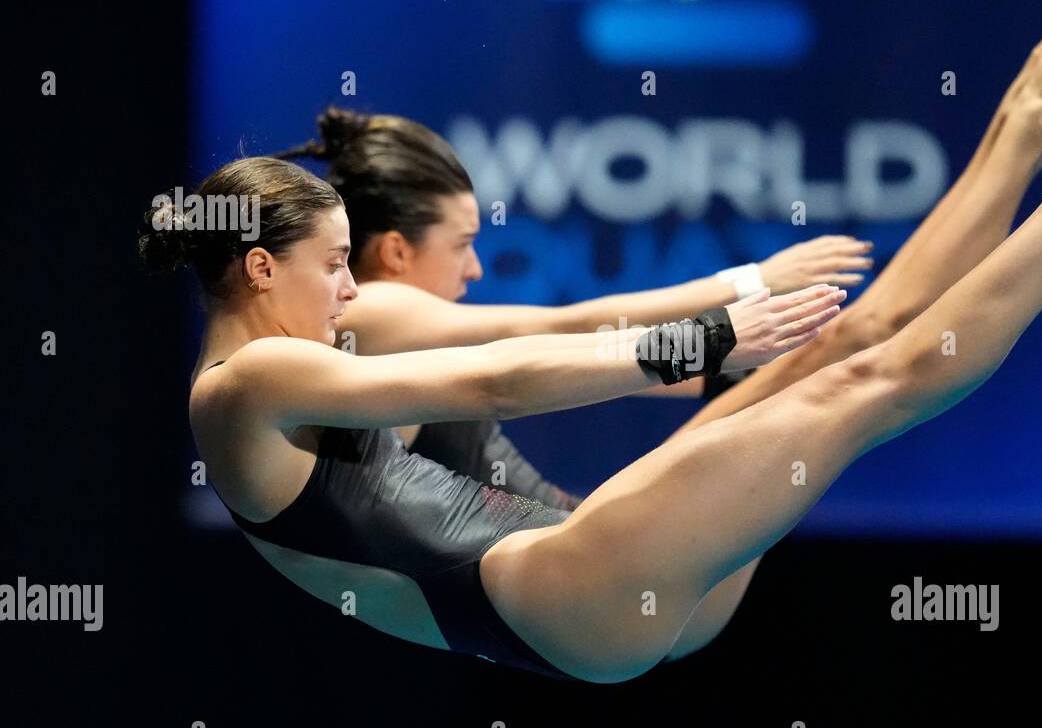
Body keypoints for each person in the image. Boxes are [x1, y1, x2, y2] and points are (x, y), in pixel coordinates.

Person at [148, 34, 1042, 683]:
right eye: (337, 268)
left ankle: (1031, 129)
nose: (349, 294)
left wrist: (725, 314)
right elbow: (502, 375)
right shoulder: (246, 385)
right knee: (866, 383)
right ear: (255, 267)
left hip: (599, 573)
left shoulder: (294, 360)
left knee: (848, 349)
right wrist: (705, 330)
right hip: (578, 586)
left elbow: (543, 342)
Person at [271, 114, 874, 510]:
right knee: (870, 355)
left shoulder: (400, 336)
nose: (475, 269)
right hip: (572, 579)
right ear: (397, 251)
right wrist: (748, 282)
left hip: (568, 557)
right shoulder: (374, 312)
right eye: (462, 245)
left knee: (834, 365)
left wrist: (751, 369)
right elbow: (562, 326)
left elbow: (603, 357)